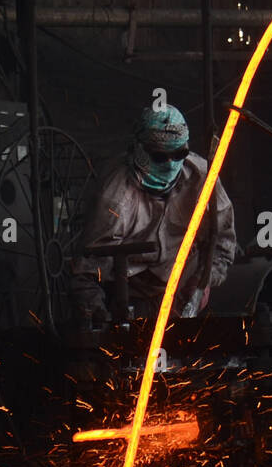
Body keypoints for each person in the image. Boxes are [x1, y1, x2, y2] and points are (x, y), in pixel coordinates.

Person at [71, 105, 236, 324]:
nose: (170, 164)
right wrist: (96, 313)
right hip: (128, 291)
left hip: (182, 285)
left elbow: (223, 243)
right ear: (139, 148)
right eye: (160, 156)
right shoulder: (115, 197)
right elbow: (87, 270)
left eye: (179, 154)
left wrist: (202, 283)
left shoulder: (204, 181)